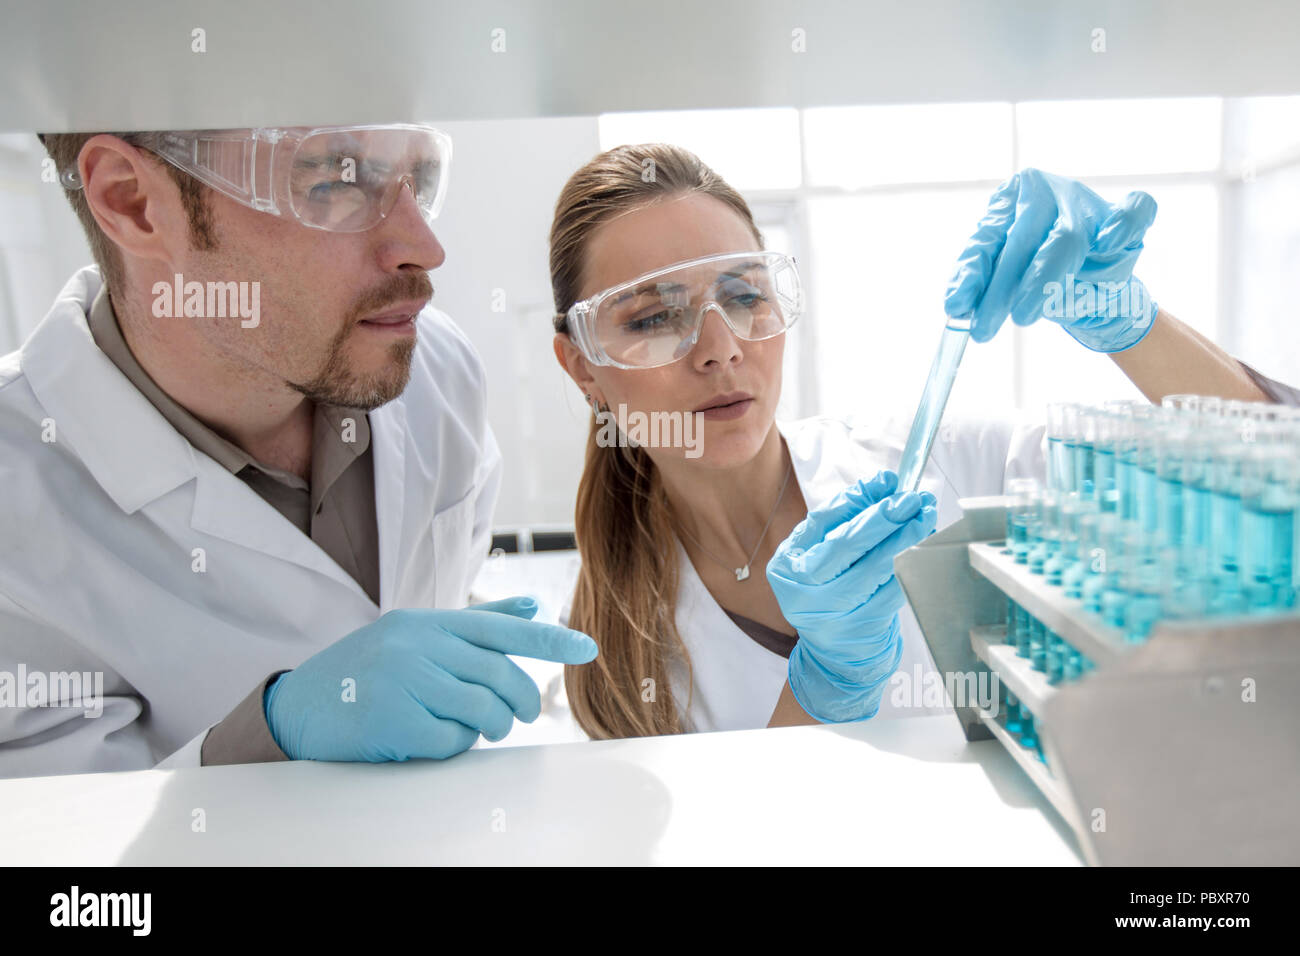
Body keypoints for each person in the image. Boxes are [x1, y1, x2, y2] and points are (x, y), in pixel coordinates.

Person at [548, 147, 1284, 738]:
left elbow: (1271, 470)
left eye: (744, 297)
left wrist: (1134, 326)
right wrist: (826, 687)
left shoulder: (937, 464)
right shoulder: (605, 653)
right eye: (652, 319)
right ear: (583, 366)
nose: (720, 348)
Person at [0, 125, 596, 778]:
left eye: (418, 181)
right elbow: (61, 846)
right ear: (131, 200)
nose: (425, 248)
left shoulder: (434, 365)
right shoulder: (18, 490)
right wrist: (270, 734)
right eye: (334, 182)